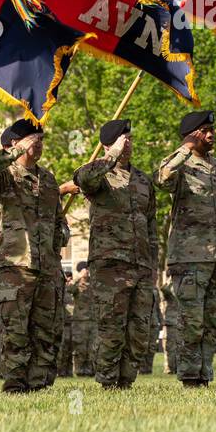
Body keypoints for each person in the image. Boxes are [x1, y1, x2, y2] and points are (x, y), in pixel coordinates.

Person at [0, 119, 69, 394]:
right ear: (16, 143)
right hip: (14, 267)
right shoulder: (6, 176)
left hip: (48, 267)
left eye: (41, 139)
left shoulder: (49, 179)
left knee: (47, 330)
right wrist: (16, 151)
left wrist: (60, 236)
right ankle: (16, 385)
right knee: (16, 331)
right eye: (33, 139)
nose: (38, 144)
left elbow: (57, 219)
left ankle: (40, 384)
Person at [73, 119, 157, 389]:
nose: (128, 143)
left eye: (130, 138)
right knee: (111, 328)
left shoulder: (143, 180)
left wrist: (152, 263)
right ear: (109, 143)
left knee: (138, 329)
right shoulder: (99, 175)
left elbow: (151, 224)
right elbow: (82, 178)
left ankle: (126, 382)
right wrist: (110, 155)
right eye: (123, 138)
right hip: (110, 265)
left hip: (141, 264)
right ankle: (108, 383)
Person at [155, 110, 216, 388]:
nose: (211, 134)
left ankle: (205, 373)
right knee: (192, 320)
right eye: (204, 130)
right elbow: (162, 179)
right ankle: (189, 376)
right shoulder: (181, 165)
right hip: (190, 257)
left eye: (212, 129)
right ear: (191, 135)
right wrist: (185, 148)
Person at [70, 262, 95, 376]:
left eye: (87, 269)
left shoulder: (93, 284)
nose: (86, 271)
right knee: (80, 347)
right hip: (79, 321)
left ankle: (91, 371)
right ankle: (80, 371)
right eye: (84, 269)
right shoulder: (76, 285)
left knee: (92, 347)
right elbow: (68, 290)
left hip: (93, 321)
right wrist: (77, 279)